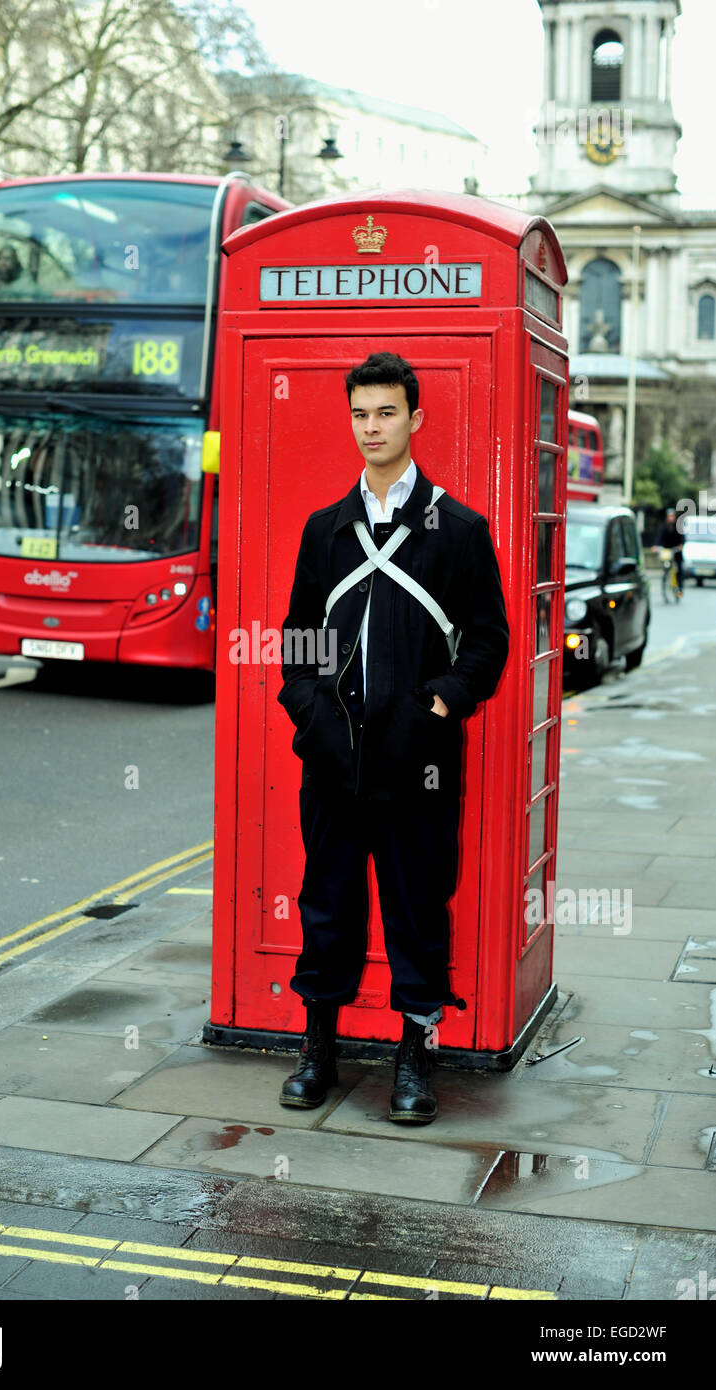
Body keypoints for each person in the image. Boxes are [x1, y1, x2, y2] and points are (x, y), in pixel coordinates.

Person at [276, 352, 509, 1124]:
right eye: (358, 414)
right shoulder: (325, 529)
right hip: (333, 762)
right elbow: (298, 637)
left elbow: (488, 642)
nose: (369, 428)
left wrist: (438, 706)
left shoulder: (458, 529)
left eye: (384, 413)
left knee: (416, 909)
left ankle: (416, 1055)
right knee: (329, 905)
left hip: (419, 766)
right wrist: (308, 711)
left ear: (415, 418)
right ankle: (318, 1047)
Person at [651, 508, 684, 595]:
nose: (670, 518)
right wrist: (655, 546)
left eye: (672, 516)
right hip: (667, 552)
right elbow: (659, 537)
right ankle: (666, 579)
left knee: (679, 570)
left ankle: (680, 588)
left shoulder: (678, 527)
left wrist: (681, 545)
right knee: (666, 566)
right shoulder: (664, 527)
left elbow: (682, 538)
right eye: (669, 516)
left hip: (676, 552)